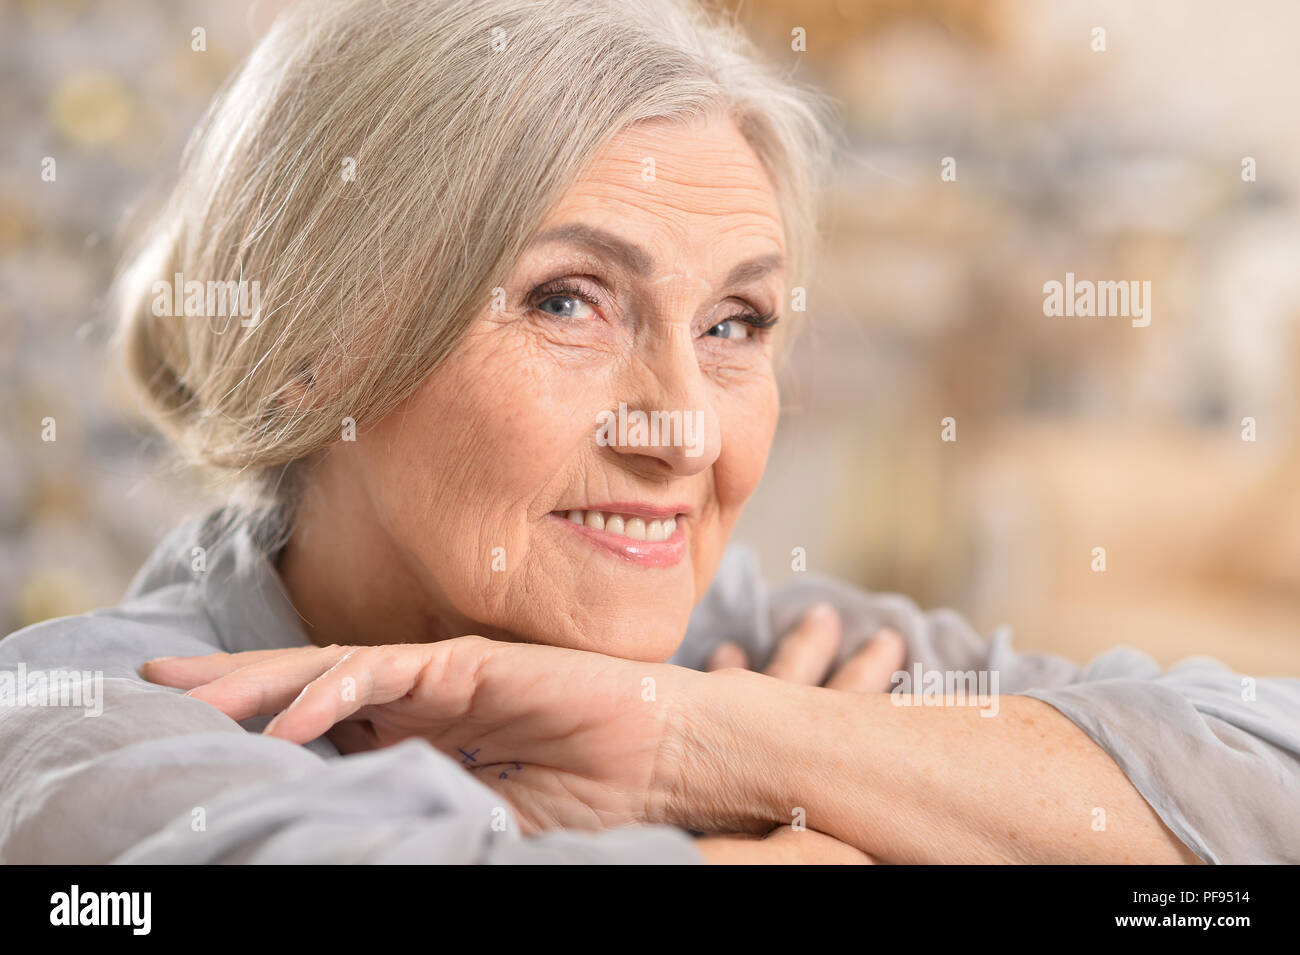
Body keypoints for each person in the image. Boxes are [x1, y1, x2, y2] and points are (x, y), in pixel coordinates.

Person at [2, 0, 1296, 864]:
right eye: (566, 301)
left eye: (737, 322)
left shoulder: (768, 657)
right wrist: (825, 835)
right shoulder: (85, 732)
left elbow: (1267, 778)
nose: (684, 432)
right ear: (309, 349)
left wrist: (708, 742)